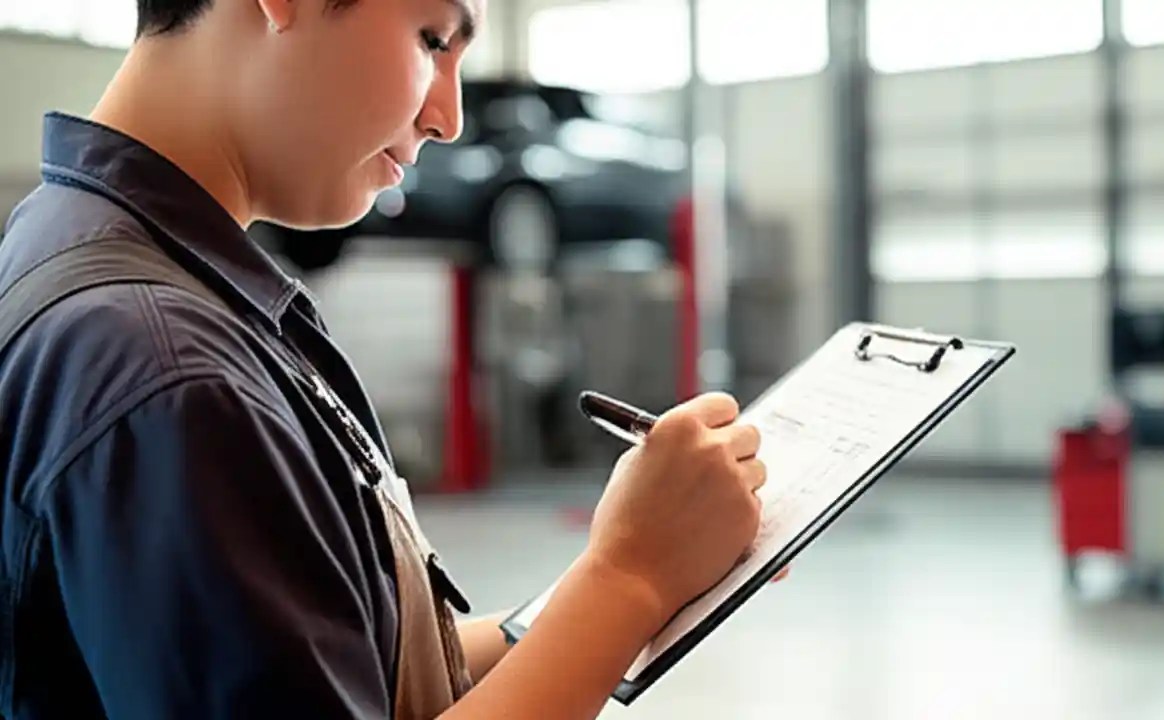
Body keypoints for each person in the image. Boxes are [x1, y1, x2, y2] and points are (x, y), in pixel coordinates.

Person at [0, 0, 770, 718]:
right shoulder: (168, 375)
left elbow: (357, 657)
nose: (449, 117)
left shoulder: (102, 256)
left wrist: (658, 562)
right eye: (431, 39)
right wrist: (628, 578)